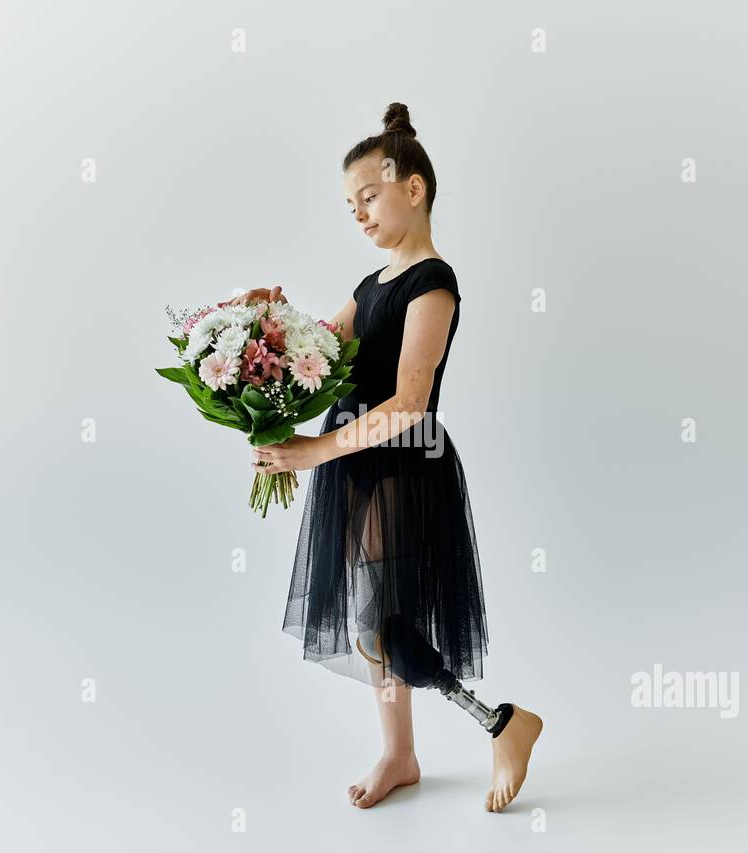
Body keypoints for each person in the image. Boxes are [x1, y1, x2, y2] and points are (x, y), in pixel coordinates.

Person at [221, 103, 542, 813]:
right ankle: (403, 751)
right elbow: (321, 353)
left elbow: (408, 405)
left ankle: (504, 724)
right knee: (374, 619)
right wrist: (264, 321)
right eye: (350, 206)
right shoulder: (371, 286)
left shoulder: (432, 282)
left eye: (369, 196)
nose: (359, 214)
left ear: (414, 188)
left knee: (386, 624)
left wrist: (314, 452)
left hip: (402, 461)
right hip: (356, 464)